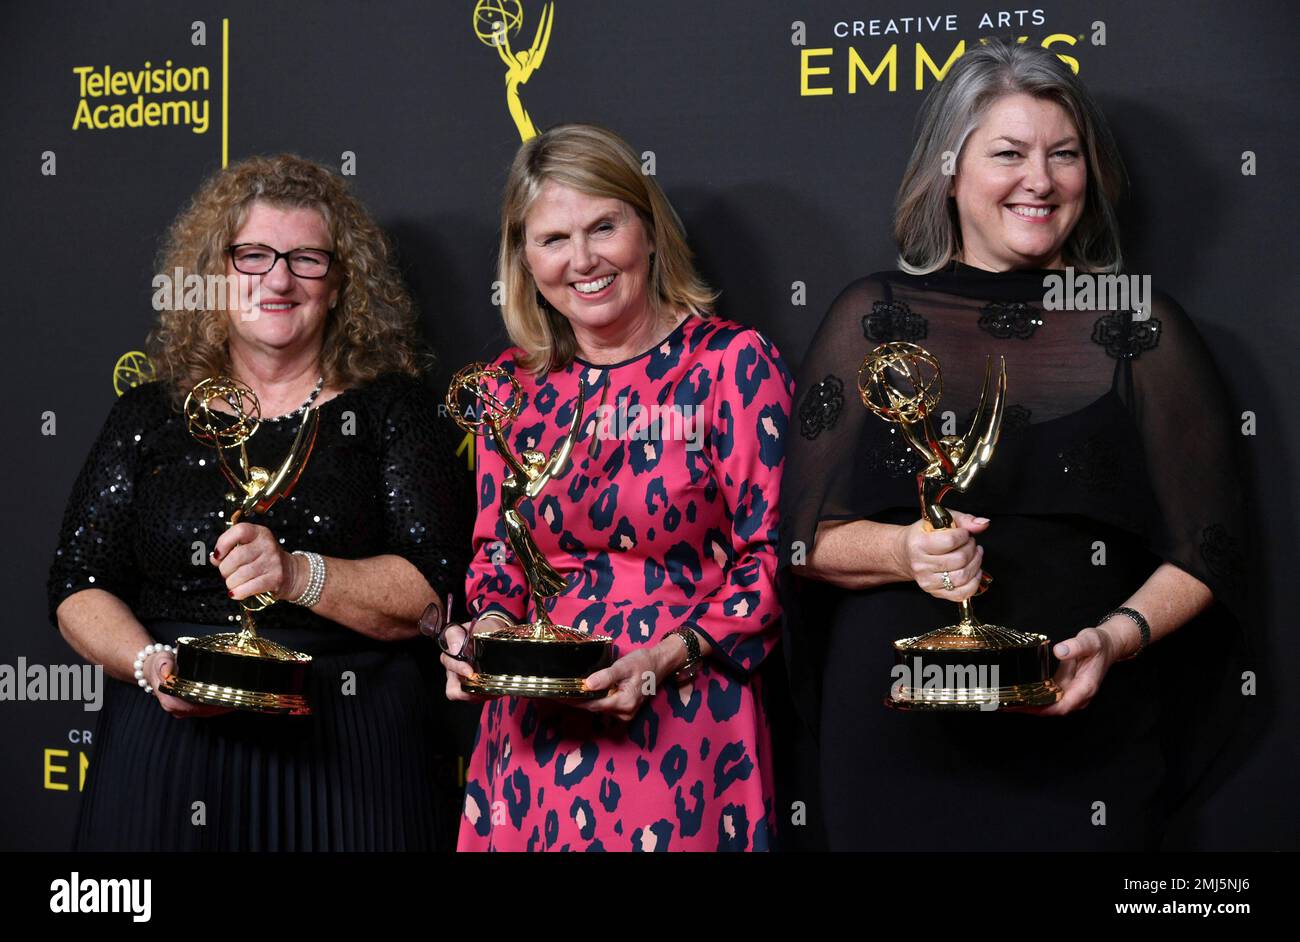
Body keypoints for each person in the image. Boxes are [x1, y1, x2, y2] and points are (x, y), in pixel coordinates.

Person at [780, 40, 1248, 850]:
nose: (1041, 180)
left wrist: (1112, 639)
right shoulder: (872, 315)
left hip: (1081, 741)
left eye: (1064, 155)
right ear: (950, 170)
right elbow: (799, 541)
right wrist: (904, 552)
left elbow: (1208, 552)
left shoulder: (1138, 325)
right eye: (1009, 153)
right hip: (897, 744)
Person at [48, 153, 473, 850]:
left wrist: (297, 574)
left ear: (339, 283)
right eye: (254, 255)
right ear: (216, 274)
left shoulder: (392, 410)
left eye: (307, 259)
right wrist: (154, 665)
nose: (278, 278)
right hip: (165, 756)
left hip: (349, 756)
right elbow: (76, 585)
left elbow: (434, 594)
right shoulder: (147, 415)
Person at [440, 124, 793, 851]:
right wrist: (492, 638)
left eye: (605, 226)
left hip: (685, 720)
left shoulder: (730, 364)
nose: (583, 261)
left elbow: (773, 557)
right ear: (523, 259)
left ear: (650, 231)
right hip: (532, 733)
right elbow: (496, 561)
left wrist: (664, 659)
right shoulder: (507, 387)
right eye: (553, 239)